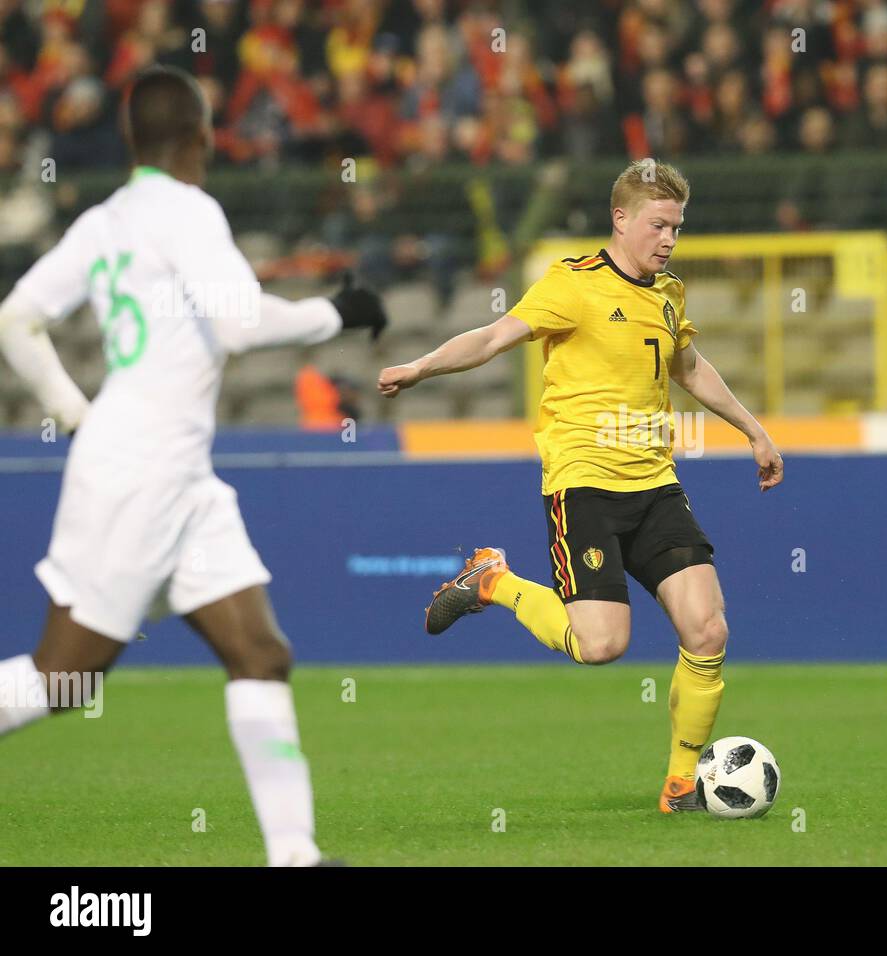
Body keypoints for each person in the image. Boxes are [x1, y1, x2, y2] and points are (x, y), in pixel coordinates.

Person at [0, 66, 387, 864]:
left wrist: (77, 415)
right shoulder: (189, 210)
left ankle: (295, 857)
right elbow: (241, 324)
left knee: (260, 654)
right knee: (64, 680)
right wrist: (337, 311)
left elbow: (16, 319)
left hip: (174, 474)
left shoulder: (105, 220)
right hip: (140, 472)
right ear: (202, 139)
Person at [377, 158, 784, 812]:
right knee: (601, 645)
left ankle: (681, 783)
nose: (669, 240)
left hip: (655, 486)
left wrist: (753, 429)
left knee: (707, 632)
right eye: (659, 225)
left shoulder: (668, 292)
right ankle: (492, 581)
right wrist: (423, 366)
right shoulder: (573, 284)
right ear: (621, 220)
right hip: (584, 487)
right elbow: (493, 336)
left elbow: (688, 365)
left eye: (677, 227)